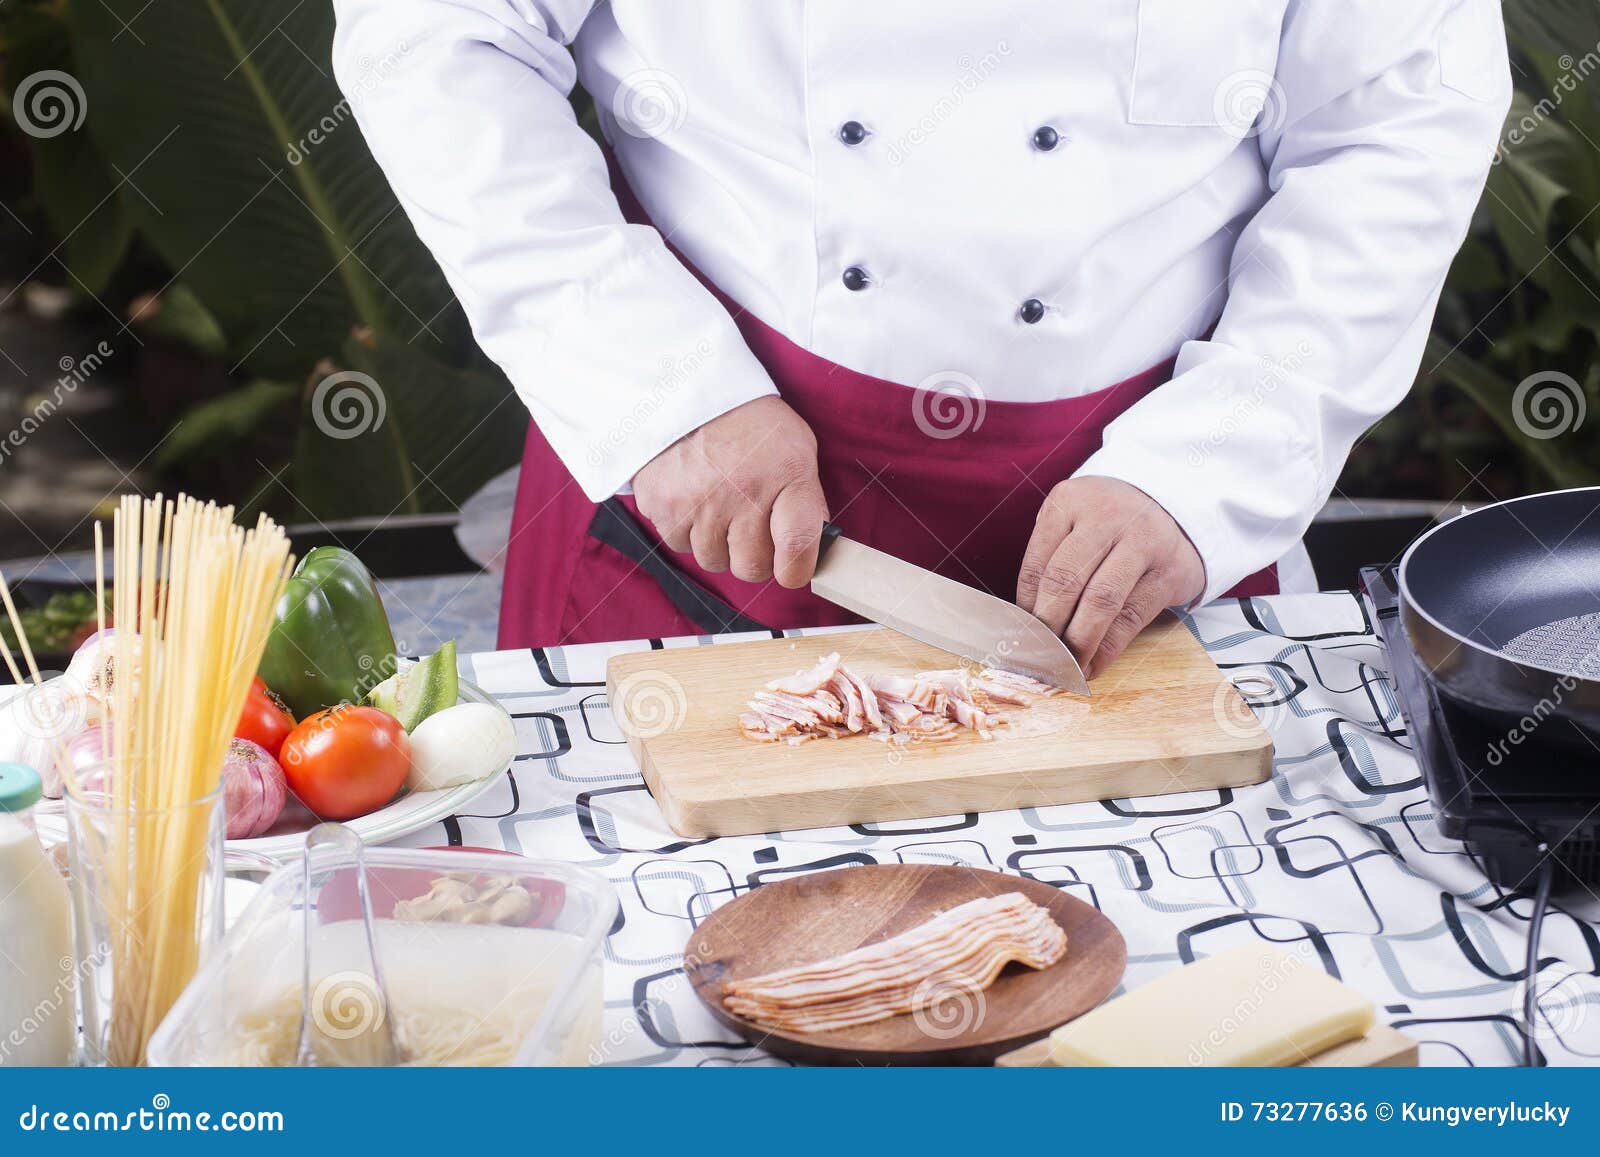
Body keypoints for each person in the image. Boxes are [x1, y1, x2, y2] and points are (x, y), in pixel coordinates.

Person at [332, 1, 1509, 674]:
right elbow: (433, 38)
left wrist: (1220, 464)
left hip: (1149, 510)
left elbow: (1396, 121)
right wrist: (658, 388)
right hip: (717, 504)